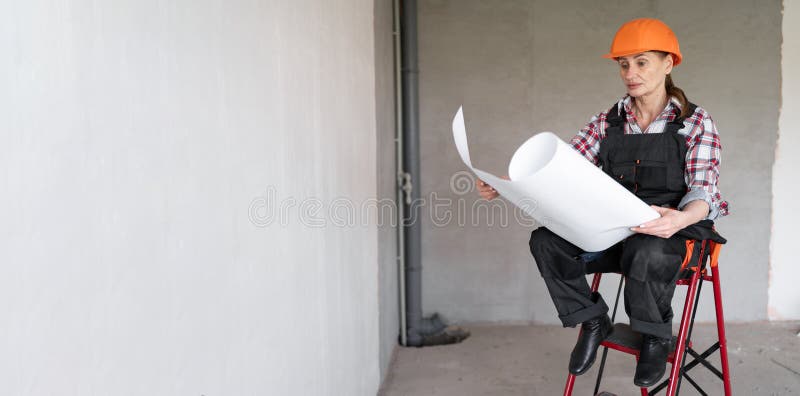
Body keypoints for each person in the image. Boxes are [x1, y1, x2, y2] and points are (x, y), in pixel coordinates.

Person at [476, 18, 729, 387]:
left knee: (648, 250)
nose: (630, 72)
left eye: (641, 62)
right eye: (623, 64)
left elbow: (704, 189)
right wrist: (509, 184)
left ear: (668, 64)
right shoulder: (606, 122)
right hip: (613, 235)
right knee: (546, 241)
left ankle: (655, 335)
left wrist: (680, 219)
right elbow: (564, 167)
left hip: (672, 237)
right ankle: (593, 319)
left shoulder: (695, 122)